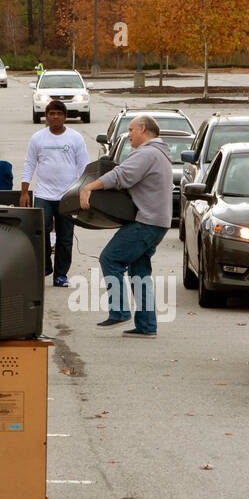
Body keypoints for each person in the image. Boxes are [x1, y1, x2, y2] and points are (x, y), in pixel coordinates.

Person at [79, 115, 170, 336]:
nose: (128, 135)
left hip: (146, 222)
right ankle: (147, 326)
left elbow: (121, 175)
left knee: (110, 258)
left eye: (130, 130)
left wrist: (88, 188)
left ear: (142, 129)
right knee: (140, 273)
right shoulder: (160, 153)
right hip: (158, 222)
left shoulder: (147, 153)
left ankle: (119, 311)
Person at [20, 100, 89, 286]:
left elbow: (84, 168)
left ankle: (60, 275)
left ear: (65, 117)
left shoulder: (75, 138)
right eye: (51, 113)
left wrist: (85, 192)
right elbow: (29, 165)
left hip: (68, 196)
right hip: (43, 195)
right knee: (39, 232)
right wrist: (24, 192)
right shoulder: (37, 138)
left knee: (65, 238)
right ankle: (45, 266)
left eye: (59, 113)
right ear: (46, 116)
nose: (55, 117)